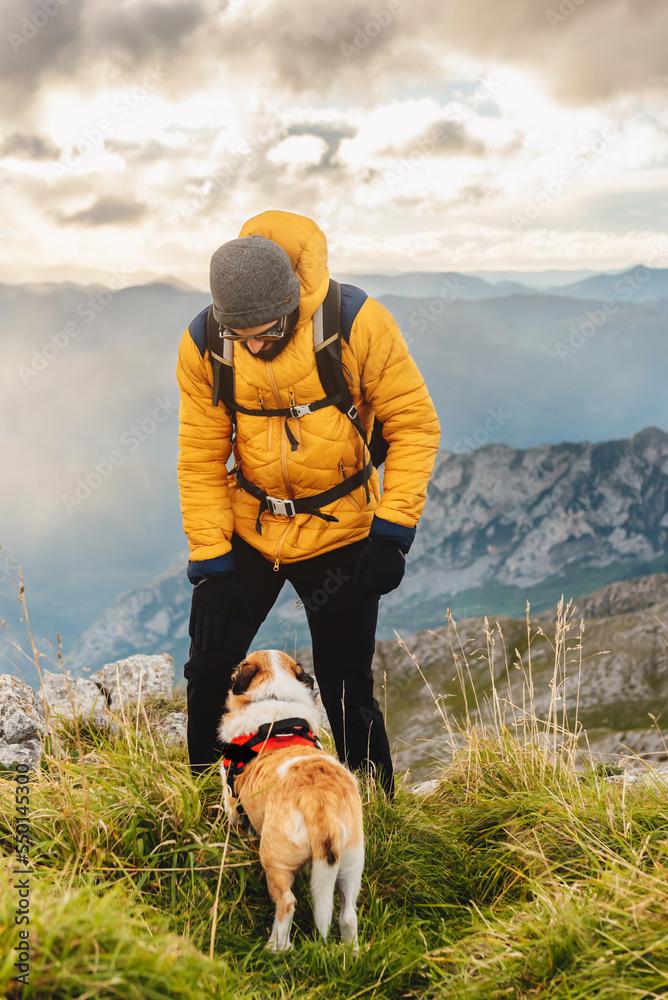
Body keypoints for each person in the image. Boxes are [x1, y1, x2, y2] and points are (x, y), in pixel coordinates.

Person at [176, 209, 440, 796]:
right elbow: (200, 458)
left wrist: (393, 532)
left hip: (341, 527)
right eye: (240, 334)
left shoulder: (356, 323)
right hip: (252, 525)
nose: (252, 344)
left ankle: (373, 810)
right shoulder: (205, 343)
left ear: (292, 302)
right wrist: (211, 563)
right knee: (209, 670)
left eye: (266, 332)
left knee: (347, 686)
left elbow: (415, 426)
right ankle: (202, 805)